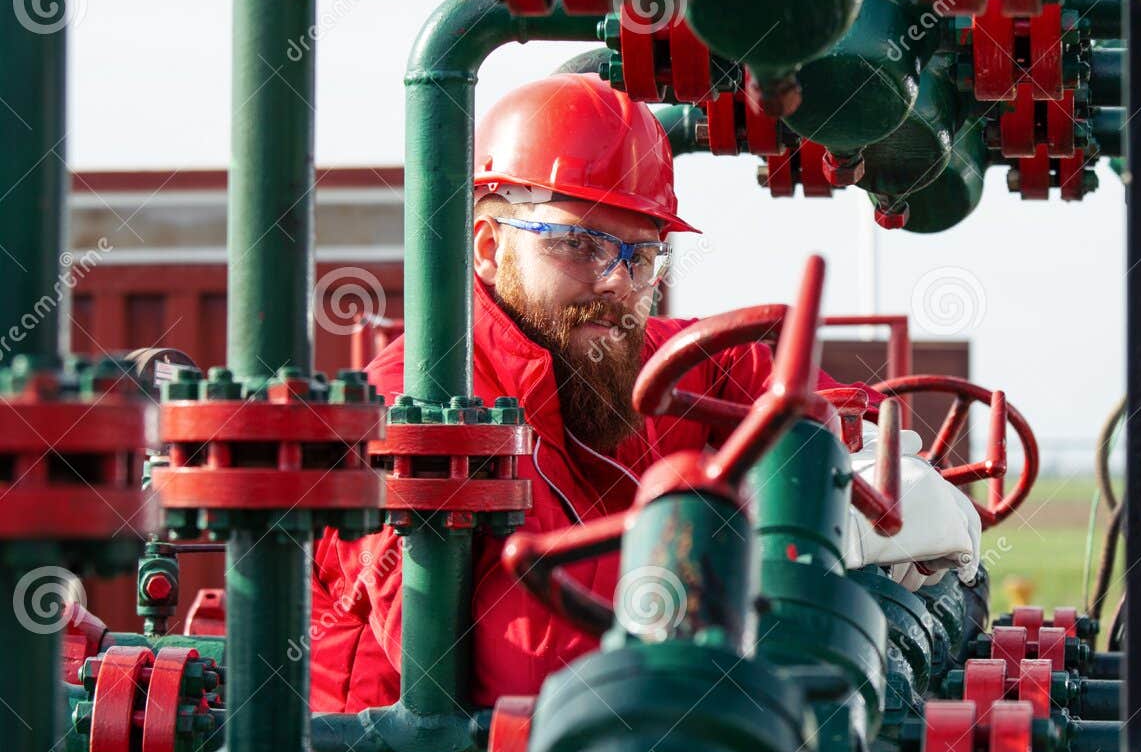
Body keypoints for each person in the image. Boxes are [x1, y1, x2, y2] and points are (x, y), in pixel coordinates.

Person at [309, 73, 980, 711]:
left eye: (642, 255)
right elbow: (523, 669)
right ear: (488, 247)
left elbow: (776, 382)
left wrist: (861, 472)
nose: (615, 283)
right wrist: (760, 543)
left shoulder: (639, 357)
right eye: (578, 244)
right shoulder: (410, 412)